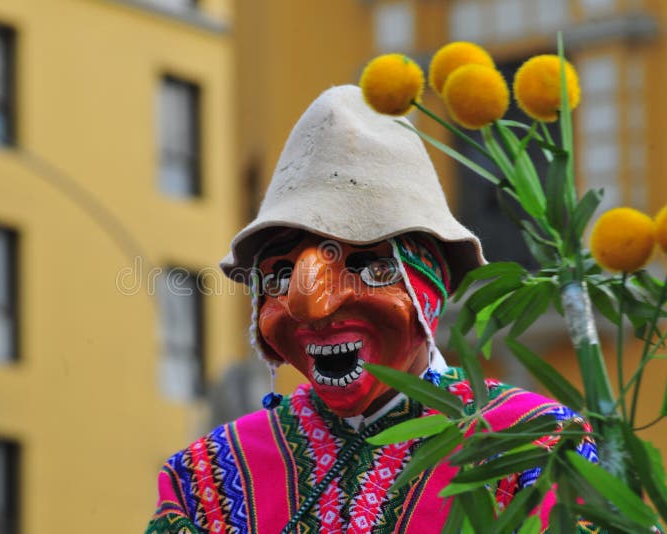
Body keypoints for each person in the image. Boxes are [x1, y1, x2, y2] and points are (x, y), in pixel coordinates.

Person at [146, 85, 596, 533]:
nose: (314, 310)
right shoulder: (208, 478)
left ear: (430, 283)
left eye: (367, 265)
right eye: (280, 276)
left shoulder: (536, 446)